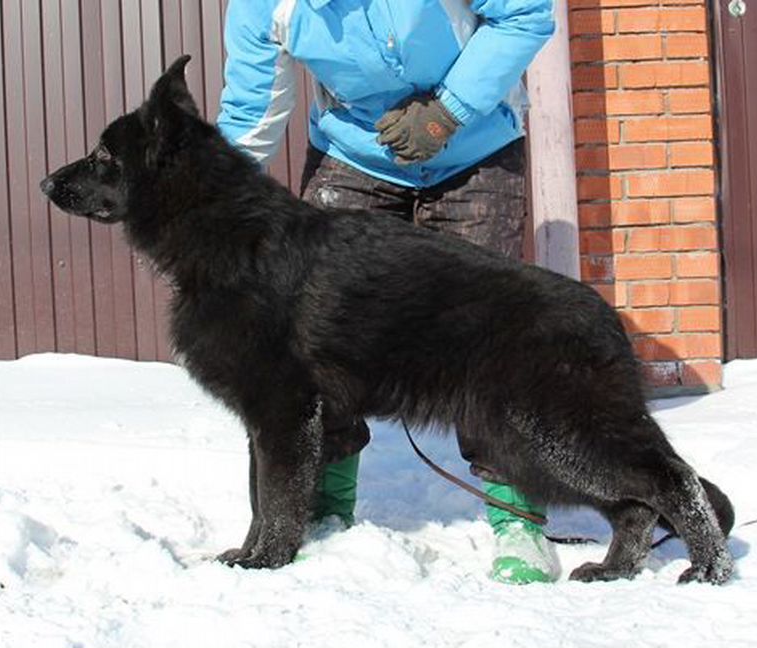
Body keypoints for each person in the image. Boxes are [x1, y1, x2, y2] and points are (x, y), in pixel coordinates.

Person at [217, 0, 557, 584]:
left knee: (489, 342)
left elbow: (527, 13)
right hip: (354, 154)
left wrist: (449, 110)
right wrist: (208, 213)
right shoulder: (261, 6)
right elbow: (251, 114)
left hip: (473, 147)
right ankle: (324, 506)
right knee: (322, 337)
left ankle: (518, 519)